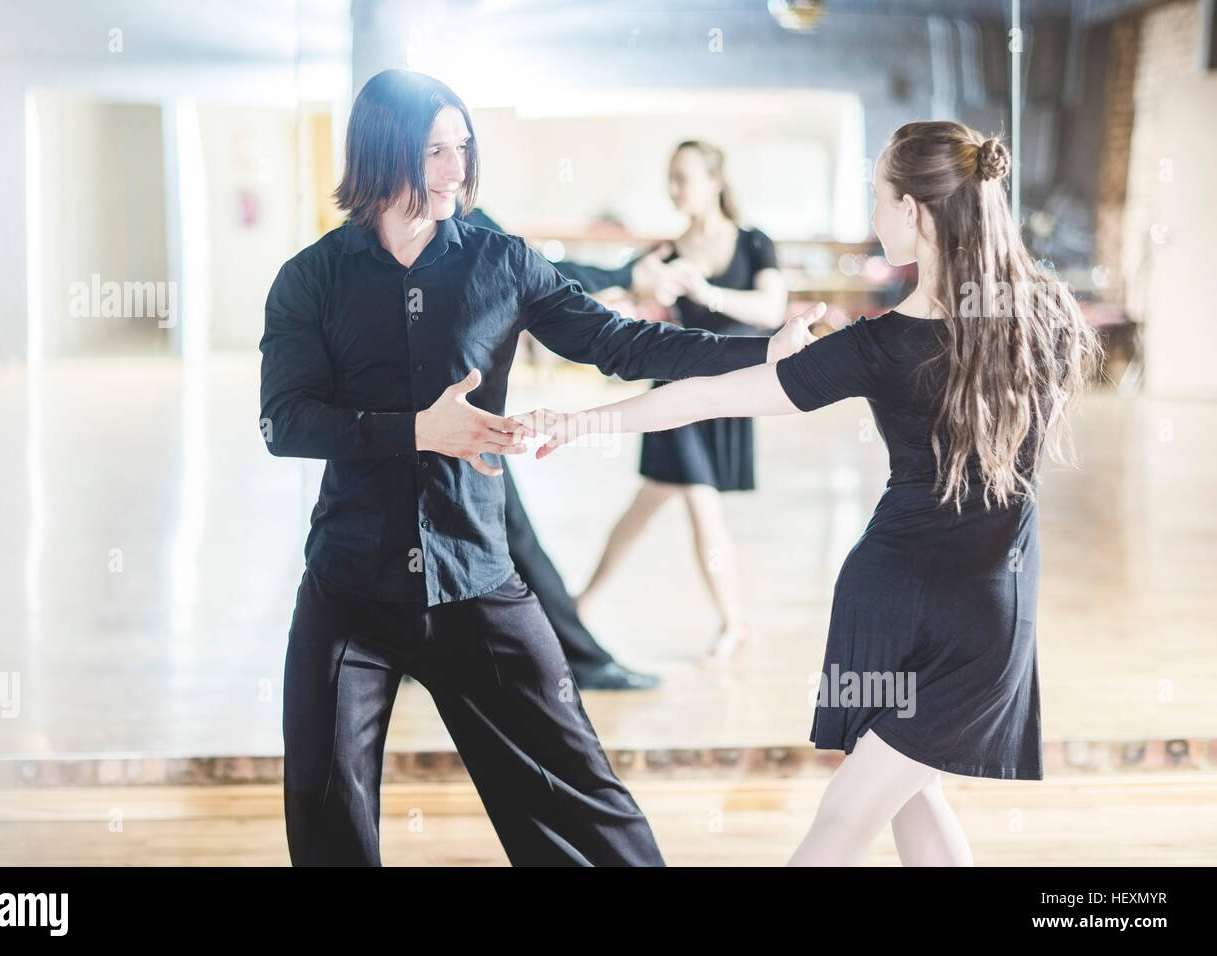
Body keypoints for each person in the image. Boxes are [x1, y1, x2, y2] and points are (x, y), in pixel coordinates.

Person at [513, 121, 1102, 866]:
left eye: (878, 199)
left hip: (907, 601)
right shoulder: (1041, 317)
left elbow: (701, 398)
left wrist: (576, 422)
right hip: (975, 603)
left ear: (914, 212)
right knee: (910, 797)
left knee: (847, 817)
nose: (874, 217)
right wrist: (572, 423)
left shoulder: (881, 343)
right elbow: (701, 398)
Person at [259, 69, 801, 866]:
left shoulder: (500, 263)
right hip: (349, 592)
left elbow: (624, 345)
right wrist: (416, 430)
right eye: (433, 151)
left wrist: (762, 351)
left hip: (477, 578)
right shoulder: (310, 278)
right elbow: (285, 421)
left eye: (462, 148)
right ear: (380, 157)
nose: (455, 170)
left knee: (584, 803)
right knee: (327, 818)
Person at [573, 141, 787, 662]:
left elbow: (770, 309)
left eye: (683, 177)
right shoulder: (665, 253)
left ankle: (579, 605)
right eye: (670, 178)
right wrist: (636, 289)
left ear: (714, 180)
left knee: (644, 507)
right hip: (677, 391)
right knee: (699, 500)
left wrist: (707, 291)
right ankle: (733, 622)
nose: (674, 188)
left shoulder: (754, 243)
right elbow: (607, 296)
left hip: (731, 388)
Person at [460, 206, 660, 691]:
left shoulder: (464, 219)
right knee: (513, 543)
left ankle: (578, 658)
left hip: (464, 425)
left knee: (505, 539)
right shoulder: (371, 237)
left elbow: (536, 274)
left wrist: (622, 274)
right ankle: (581, 661)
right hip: (429, 431)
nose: (453, 166)